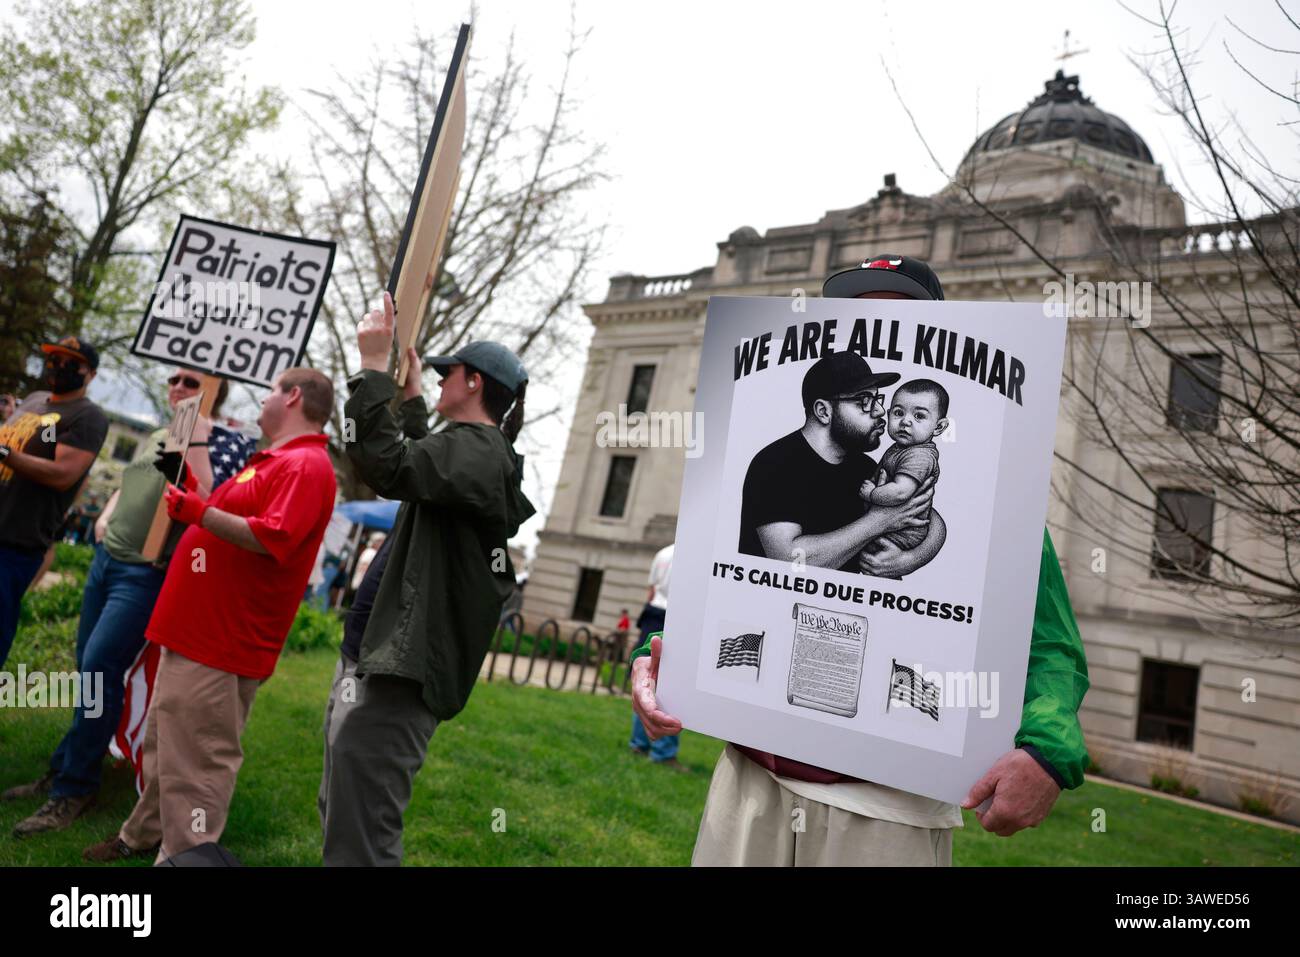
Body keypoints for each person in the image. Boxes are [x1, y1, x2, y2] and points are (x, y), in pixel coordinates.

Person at [631, 255, 1090, 866]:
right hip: (751, 777)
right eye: (856, 311)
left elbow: (1046, 639)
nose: (880, 406)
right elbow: (731, 581)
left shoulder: (930, 473)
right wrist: (654, 660)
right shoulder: (771, 460)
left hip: (888, 803)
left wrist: (1047, 750)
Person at [82, 367, 337, 863]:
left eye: (270, 389)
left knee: (199, 762)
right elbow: (225, 517)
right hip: (193, 632)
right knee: (166, 747)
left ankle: (186, 857)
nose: (262, 400)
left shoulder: (307, 465)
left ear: (294, 397)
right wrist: (194, 490)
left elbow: (272, 537)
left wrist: (198, 514)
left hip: (224, 641)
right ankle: (143, 835)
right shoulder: (269, 460)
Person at [319, 291, 535, 866]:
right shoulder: (473, 453)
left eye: (448, 374)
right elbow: (422, 464)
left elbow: (391, 466)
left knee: (363, 829)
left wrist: (372, 369)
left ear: (475, 383)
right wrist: (411, 401)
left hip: (402, 673)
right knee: (344, 807)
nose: (440, 381)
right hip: (381, 656)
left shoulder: (480, 453)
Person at [5, 370, 256, 836]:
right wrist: (106, 514)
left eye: (190, 382)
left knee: (101, 666)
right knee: (89, 670)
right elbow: (131, 483)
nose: (177, 386)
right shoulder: (160, 433)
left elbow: (211, 497)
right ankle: (66, 766)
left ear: (212, 393)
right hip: (107, 561)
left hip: (145, 573)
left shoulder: (214, 440)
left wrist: (195, 434)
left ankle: (75, 788)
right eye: (174, 379)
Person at [0, 336, 109, 665]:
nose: (59, 368)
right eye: (54, 360)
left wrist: (6, 454)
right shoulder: (34, 402)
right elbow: (36, 442)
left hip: (15, 542)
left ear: (89, 374)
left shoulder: (88, 417)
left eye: (71, 364)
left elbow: (63, 472)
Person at [861, 379, 949, 554]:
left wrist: (871, 494)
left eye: (919, 416)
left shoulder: (920, 456)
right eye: (899, 413)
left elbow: (901, 492)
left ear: (939, 427)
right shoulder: (901, 448)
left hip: (903, 533)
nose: (905, 422)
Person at [628, 543, 682, 768]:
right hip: (675, 614)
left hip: (653, 614)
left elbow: (651, 591)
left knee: (646, 683)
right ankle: (662, 752)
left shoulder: (662, 553)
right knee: (671, 687)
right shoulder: (699, 549)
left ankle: (638, 743)